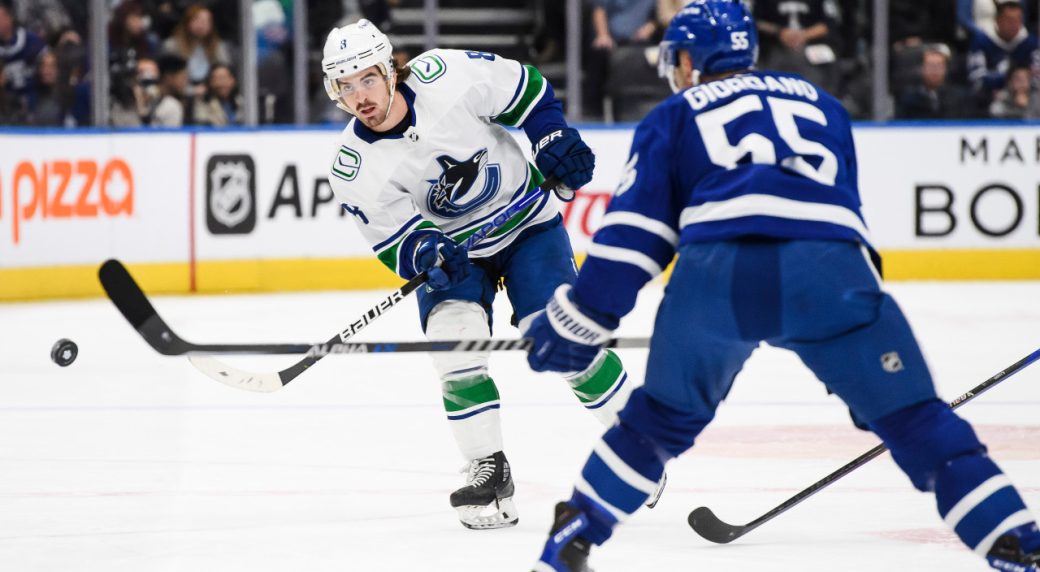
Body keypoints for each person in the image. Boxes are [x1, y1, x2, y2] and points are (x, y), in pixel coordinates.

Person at [525, 2, 1040, 571]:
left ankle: (574, 535)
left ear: (690, 60)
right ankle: (1016, 542)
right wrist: (869, 374)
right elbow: (848, 222)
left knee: (658, 423)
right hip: (830, 275)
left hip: (718, 277)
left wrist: (581, 320)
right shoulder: (825, 104)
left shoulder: (673, 114)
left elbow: (634, 236)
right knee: (917, 421)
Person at [321, 19, 652, 531]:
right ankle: (488, 470)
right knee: (454, 346)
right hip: (456, 252)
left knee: (562, 339)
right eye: (346, 86)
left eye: (367, 79)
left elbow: (529, 92)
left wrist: (553, 137)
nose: (359, 96)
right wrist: (424, 251)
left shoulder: (447, 75)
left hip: (527, 225)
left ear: (391, 70)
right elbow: (396, 239)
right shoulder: (353, 167)